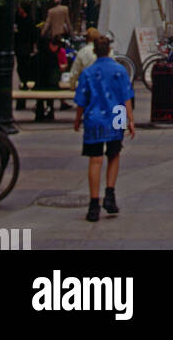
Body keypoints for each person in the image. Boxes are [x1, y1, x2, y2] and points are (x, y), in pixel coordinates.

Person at [73, 36, 135, 222]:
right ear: (109, 50)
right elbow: (126, 96)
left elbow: (81, 100)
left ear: (95, 51)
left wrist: (77, 120)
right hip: (117, 114)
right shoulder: (120, 70)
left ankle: (94, 204)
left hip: (95, 117)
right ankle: (110, 194)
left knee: (95, 159)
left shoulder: (88, 72)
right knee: (114, 154)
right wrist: (130, 120)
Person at [34, 29, 61, 121]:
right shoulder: (53, 56)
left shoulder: (37, 57)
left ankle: (39, 111)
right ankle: (50, 111)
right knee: (50, 91)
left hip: (39, 85)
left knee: (40, 92)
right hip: (51, 85)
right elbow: (56, 73)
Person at [14, 4, 37, 89]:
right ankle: (22, 80)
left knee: (26, 63)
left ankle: (25, 81)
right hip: (19, 45)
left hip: (27, 45)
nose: (19, 9)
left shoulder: (29, 20)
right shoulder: (17, 18)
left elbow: (33, 33)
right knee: (20, 64)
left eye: (21, 8)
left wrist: (33, 44)